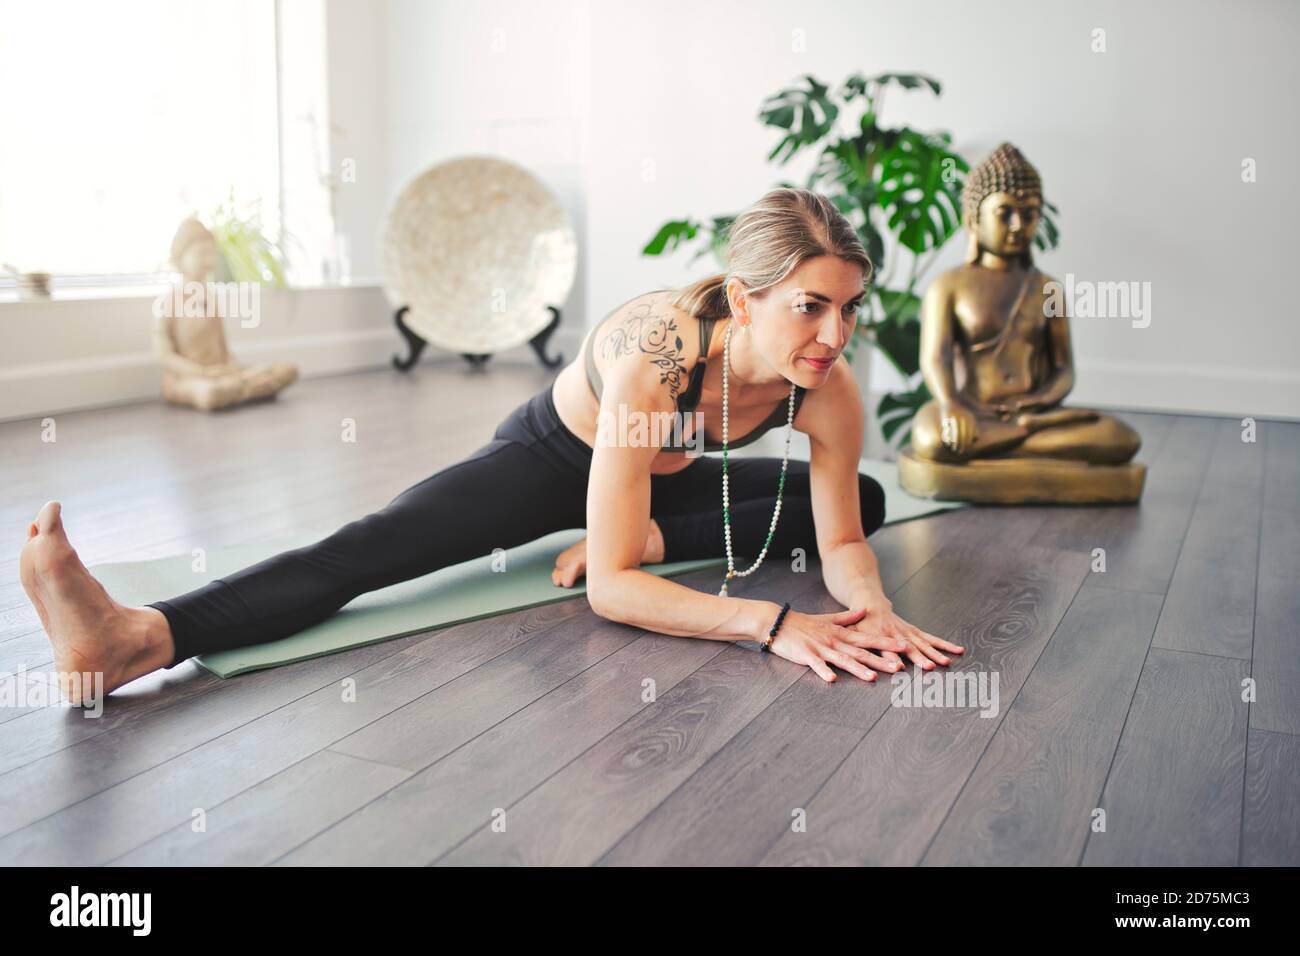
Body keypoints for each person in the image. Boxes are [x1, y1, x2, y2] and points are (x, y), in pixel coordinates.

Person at [19, 187, 962, 704]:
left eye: (849, 308)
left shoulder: (825, 387)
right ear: (746, 298)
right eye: (811, 306)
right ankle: (138, 636)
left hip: (662, 486)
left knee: (867, 502)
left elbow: (842, 544)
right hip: (553, 463)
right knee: (376, 548)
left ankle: (639, 529)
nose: (835, 335)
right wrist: (774, 626)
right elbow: (612, 598)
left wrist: (873, 608)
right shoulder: (659, 352)